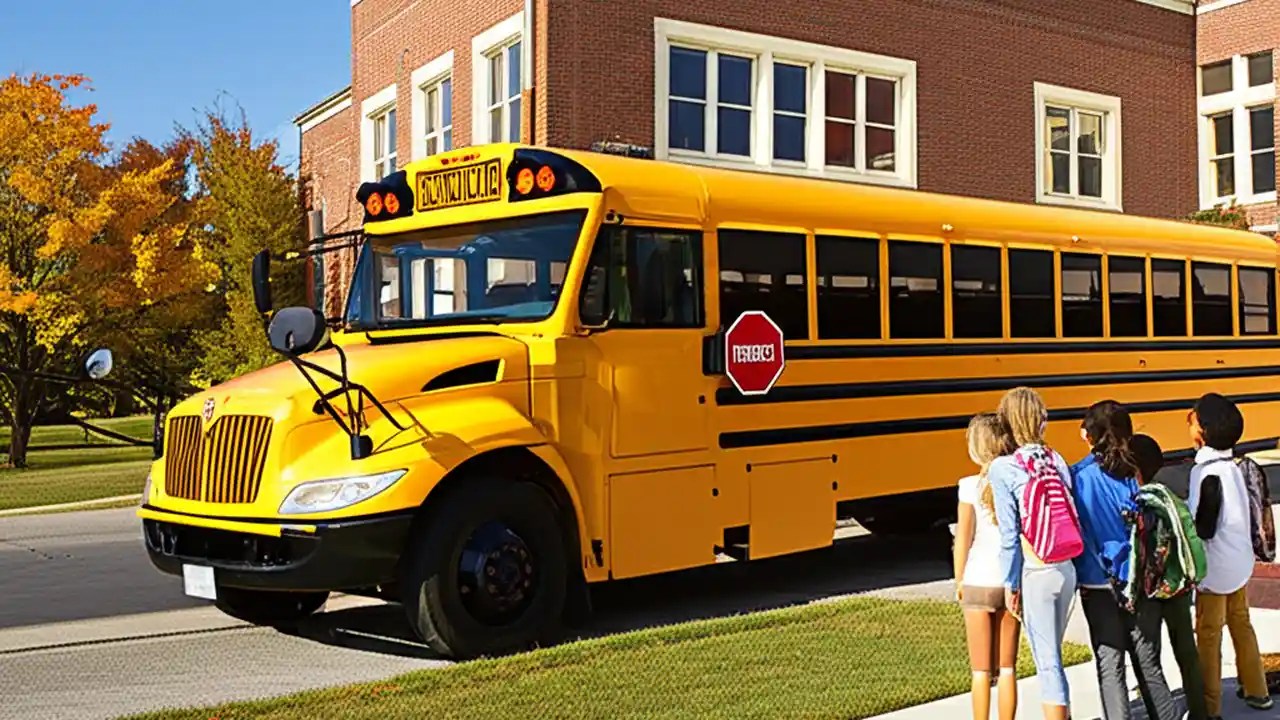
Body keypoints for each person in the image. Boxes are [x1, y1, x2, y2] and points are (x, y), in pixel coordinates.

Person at [1069, 402, 1178, 720]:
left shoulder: (1078, 477)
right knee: (1148, 662)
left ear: (1088, 436)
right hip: (1137, 579)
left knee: (1110, 663)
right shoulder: (1137, 473)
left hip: (1096, 580)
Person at [989, 386, 1082, 720]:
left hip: (1036, 570)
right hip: (1067, 567)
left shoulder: (1003, 468)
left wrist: (1010, 584)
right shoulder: (1056, 459)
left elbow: (1009, 537)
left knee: (1048, 662)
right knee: (1052, 654)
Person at [1186, 393, 1274, 716]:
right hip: (1240, 563)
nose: (1189, 422)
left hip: (1215, 570)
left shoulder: (1206, 473)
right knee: (1241, 622)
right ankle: (1257, 690)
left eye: (1192, 418)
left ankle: (1209, 707)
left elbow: (1205, 528)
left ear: (1203, 431)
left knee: (1208, 636)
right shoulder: (1234, 466)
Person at [1131, 433, 1210, 720]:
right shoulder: (1172, 498)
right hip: (1178, 586)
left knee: (1149, 655)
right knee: (1187, 653)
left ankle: (1162, 710)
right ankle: (1201, 712)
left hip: (1150, 589)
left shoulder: (1141, 501)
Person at [954, 413, 1021, 720]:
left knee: (980, 670)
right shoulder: (1016, 480)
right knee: (1007, 667)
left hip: (977, 580)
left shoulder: (968, 486)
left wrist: (959, 581)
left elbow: (963, 539)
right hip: (1009, 581)